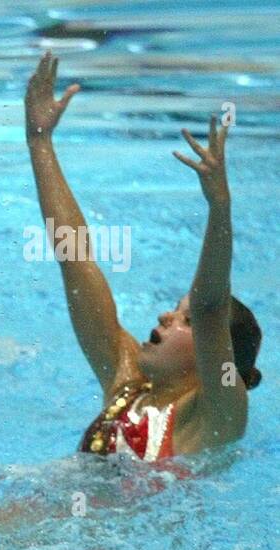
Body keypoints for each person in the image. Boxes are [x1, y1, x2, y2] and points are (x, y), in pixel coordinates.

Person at [25, 52, 261, 460]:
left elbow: (209, 306)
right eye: (175, 310)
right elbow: (75, 257)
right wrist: (40, 142)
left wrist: (219, 208)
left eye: (184, 321)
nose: (165, 318)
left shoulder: (215, 416)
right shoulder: (125, 381)